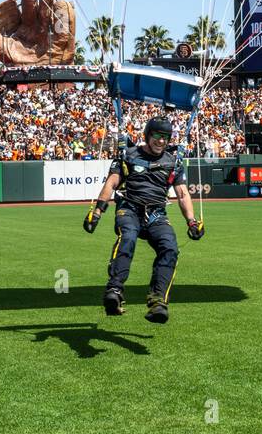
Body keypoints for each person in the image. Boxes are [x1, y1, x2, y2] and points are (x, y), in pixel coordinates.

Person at [82, 117, 203, 324]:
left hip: (156, 214)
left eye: (165, 137)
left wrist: (191, 221)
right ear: (147, 135)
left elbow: (182, 194)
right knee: (127, 237)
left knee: (170, 247)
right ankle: (114, 289)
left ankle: (158, 301)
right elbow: (112, 183)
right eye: (157, 136)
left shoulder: (172, 162)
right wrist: (98, 211)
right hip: (129, 208)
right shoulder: (128, 155)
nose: (161, 141)